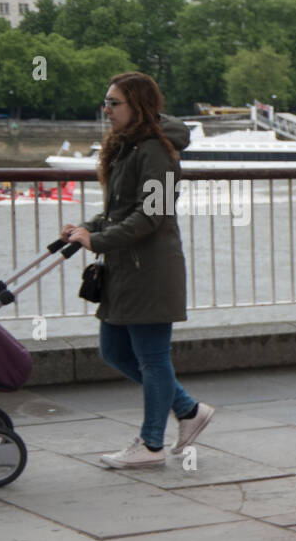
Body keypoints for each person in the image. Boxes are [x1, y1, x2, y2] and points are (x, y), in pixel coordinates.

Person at [61, 71, 214, 468]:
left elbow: (153, 215)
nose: (106, 109)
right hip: (125, 269)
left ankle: (151, 446)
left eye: (115, 103)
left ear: (138, 106)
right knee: (113, 351)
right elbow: (120, 210)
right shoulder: (126, 147)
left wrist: (98, 241)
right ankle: (188, 409)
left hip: (151, 271)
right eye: (107, 101)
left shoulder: (156, 151)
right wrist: (87, 229)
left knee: (152, 359)